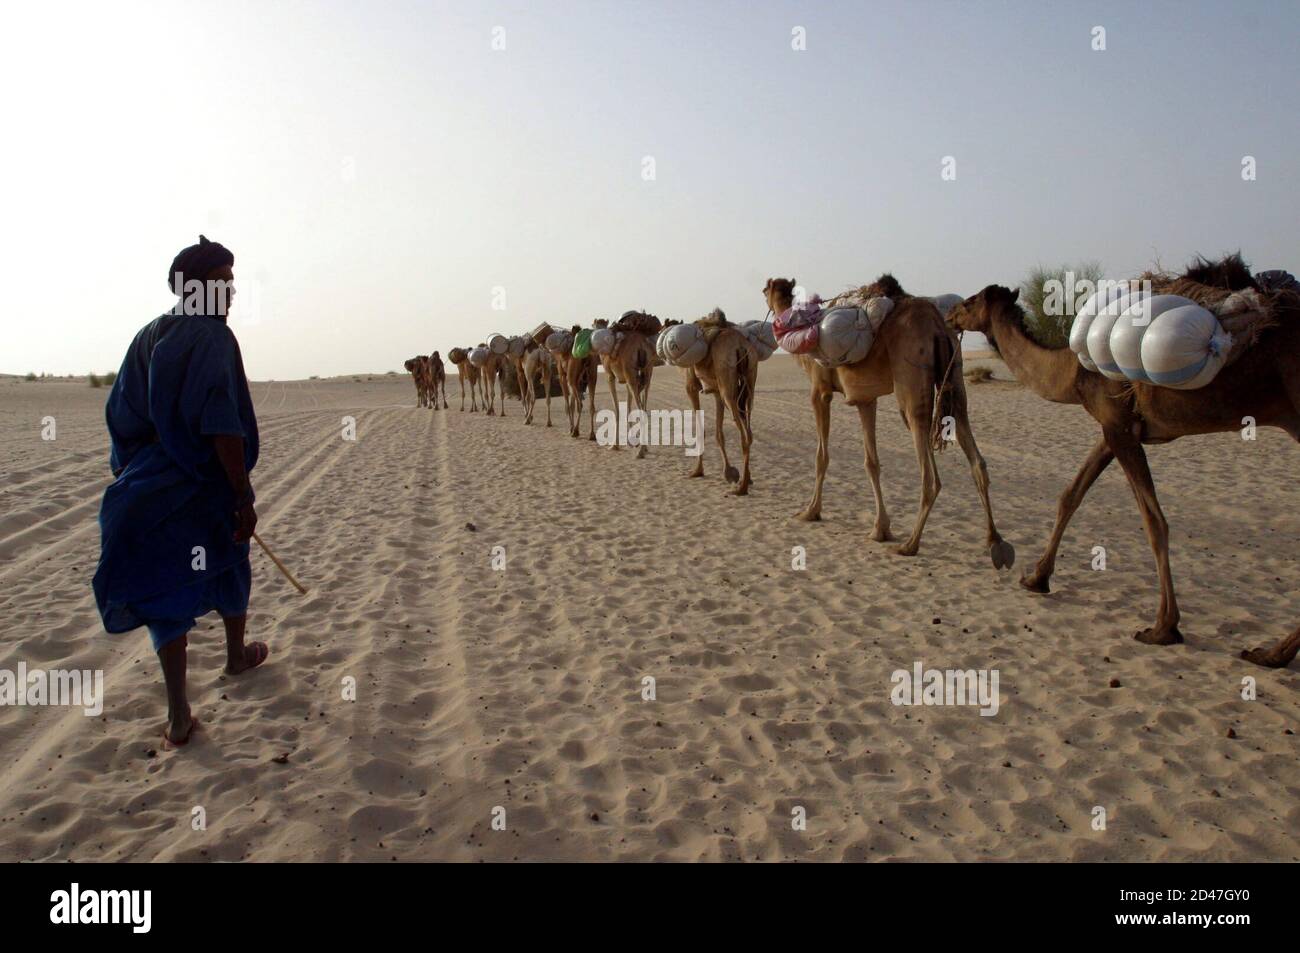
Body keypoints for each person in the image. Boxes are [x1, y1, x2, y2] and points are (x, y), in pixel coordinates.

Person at [93, 236, 267, 748]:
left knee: (167, 587)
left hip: (145, 490)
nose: (232, 293)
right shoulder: (212, 339)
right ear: (200, 288)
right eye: (224, 283)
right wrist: (241, 493)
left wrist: (140, 471)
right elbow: (221, 425)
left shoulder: (150, 333)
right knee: (232, 557)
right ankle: (235, 658)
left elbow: (120, 416)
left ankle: (178, 715)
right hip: (201, 485)